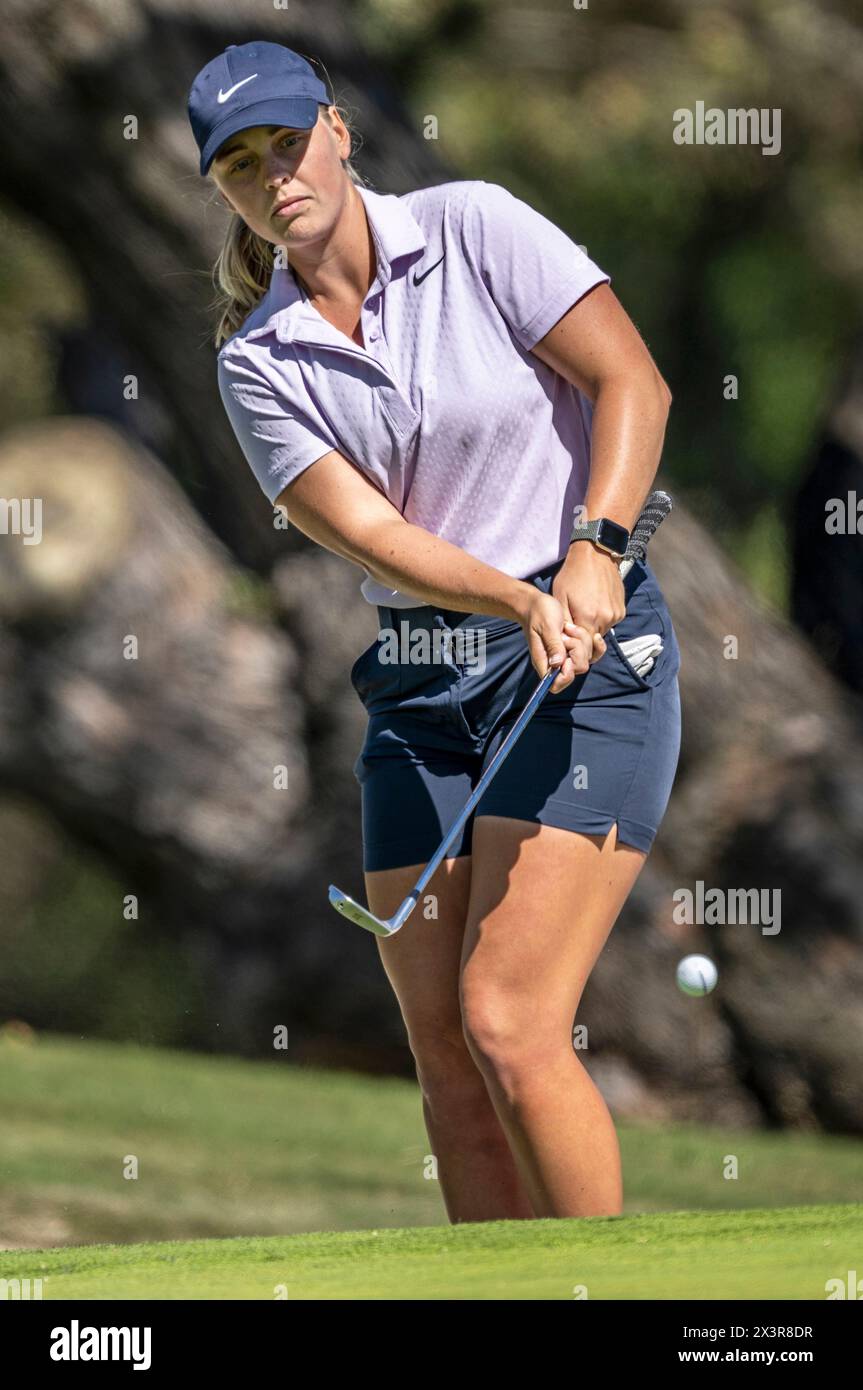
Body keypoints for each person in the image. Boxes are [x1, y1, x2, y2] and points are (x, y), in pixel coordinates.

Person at [188, 41, 682, 1222]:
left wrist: (592, 551)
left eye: (287, 143)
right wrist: (513, 599)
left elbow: (634, 386)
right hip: (421, 686)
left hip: (588, 659)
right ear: (220, 187)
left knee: (508, 1021)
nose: (274, 175)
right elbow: (373, 538)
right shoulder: (255, 361)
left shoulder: (473, 227)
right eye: (240, 163)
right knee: (449, 1065)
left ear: (338, 132)